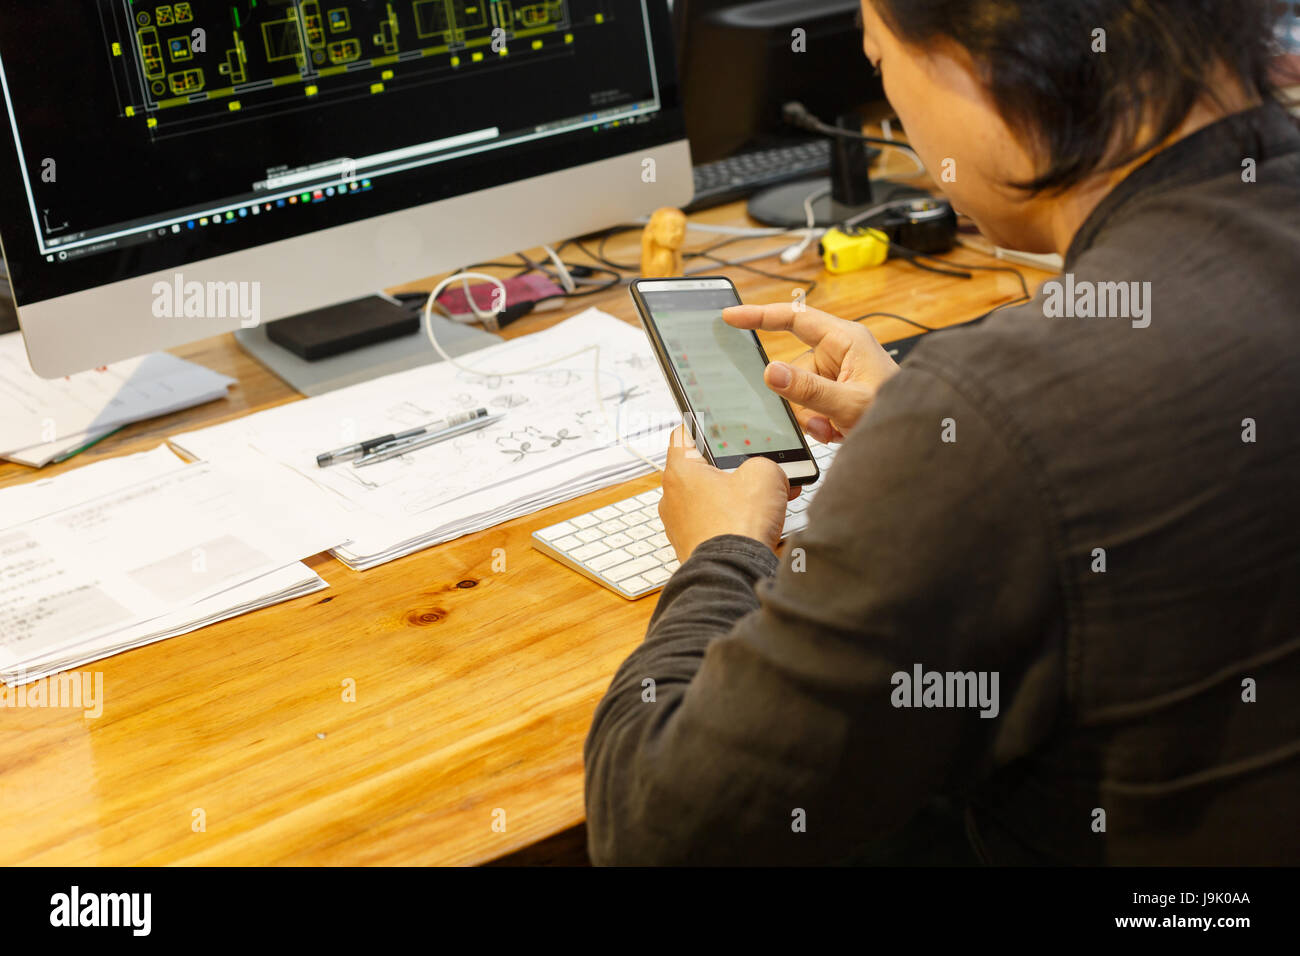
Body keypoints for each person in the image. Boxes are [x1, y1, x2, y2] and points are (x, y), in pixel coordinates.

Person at [584, 0, 1300, 864]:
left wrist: (721, 553)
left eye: (882, 66)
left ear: (982, 57)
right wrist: (946, 437)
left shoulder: (1008, 415)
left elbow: (656, 828)